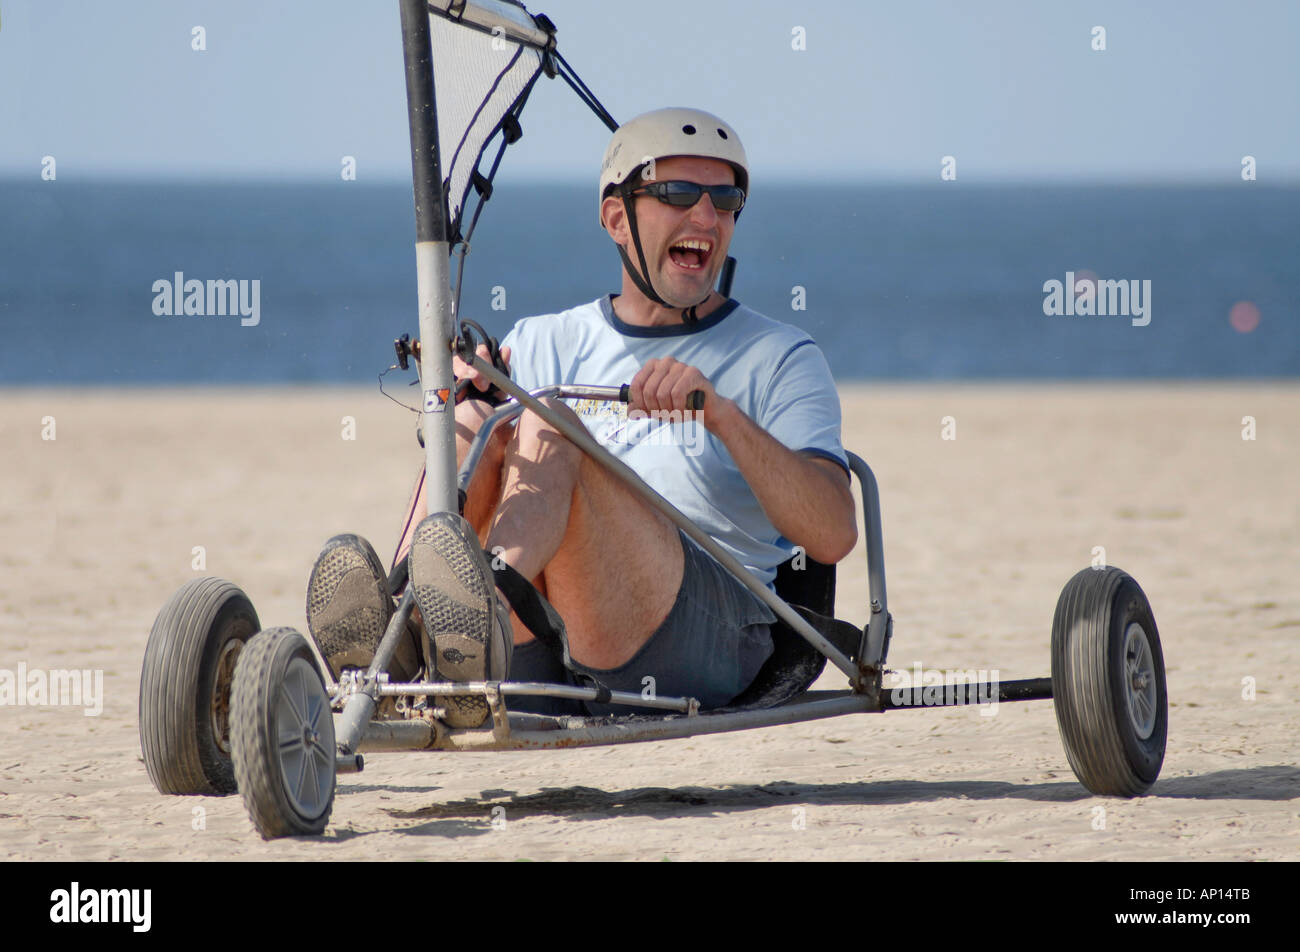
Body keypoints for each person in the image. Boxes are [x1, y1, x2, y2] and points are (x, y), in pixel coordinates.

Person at [305, 107, 856, 726]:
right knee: (472, 425)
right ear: (617, 217)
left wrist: (724, 416)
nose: (706, 216)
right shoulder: (544, 339)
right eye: (678, 194)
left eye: (725, 199)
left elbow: (833, 532)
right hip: (552, 636)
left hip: (712, 631)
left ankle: (461, 634)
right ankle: (403, 627)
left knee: (548, 419)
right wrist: (469, 397)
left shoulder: (780, 357)